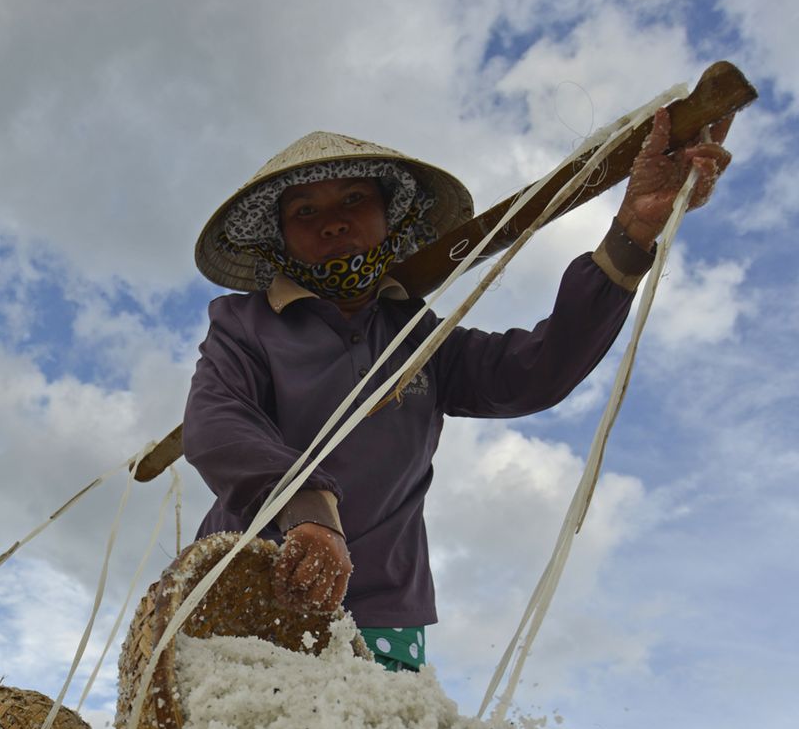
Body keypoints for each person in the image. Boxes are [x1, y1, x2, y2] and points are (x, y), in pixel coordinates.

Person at [183, 112, 731, 672]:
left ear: (389, 217)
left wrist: (633, 233)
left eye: (354, 200)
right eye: (306, 211)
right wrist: (309, 513)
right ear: (281, 240)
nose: (333, 223)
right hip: (243, 585)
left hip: (382, 611)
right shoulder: (245, 323)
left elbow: (535, 372)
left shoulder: (424, 339)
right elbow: (217, 422)